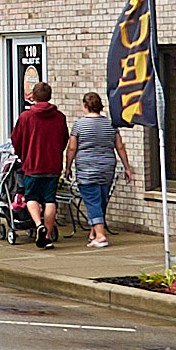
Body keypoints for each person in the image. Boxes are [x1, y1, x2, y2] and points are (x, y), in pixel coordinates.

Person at [11, 80, 72, 248]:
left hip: (32, 164)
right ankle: (48, 236)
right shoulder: (59, 117)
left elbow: (16, 140)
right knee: (50, 200)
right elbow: (63, 139)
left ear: (34, 97)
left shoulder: (25, 117)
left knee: (32, 198)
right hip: (52, 165)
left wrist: (22, 154)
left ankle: (39, 225)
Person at [67, 89, 131, 247]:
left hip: (87, 168)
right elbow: (120, 146)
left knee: (92, 201)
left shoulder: (79, 125)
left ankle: (101, 235)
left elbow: (72, 148)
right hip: (107, 167)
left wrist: (67, 166)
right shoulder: (110, 124)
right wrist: (127, 167)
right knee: (100, 199)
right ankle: (94, 232)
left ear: (85, 106)